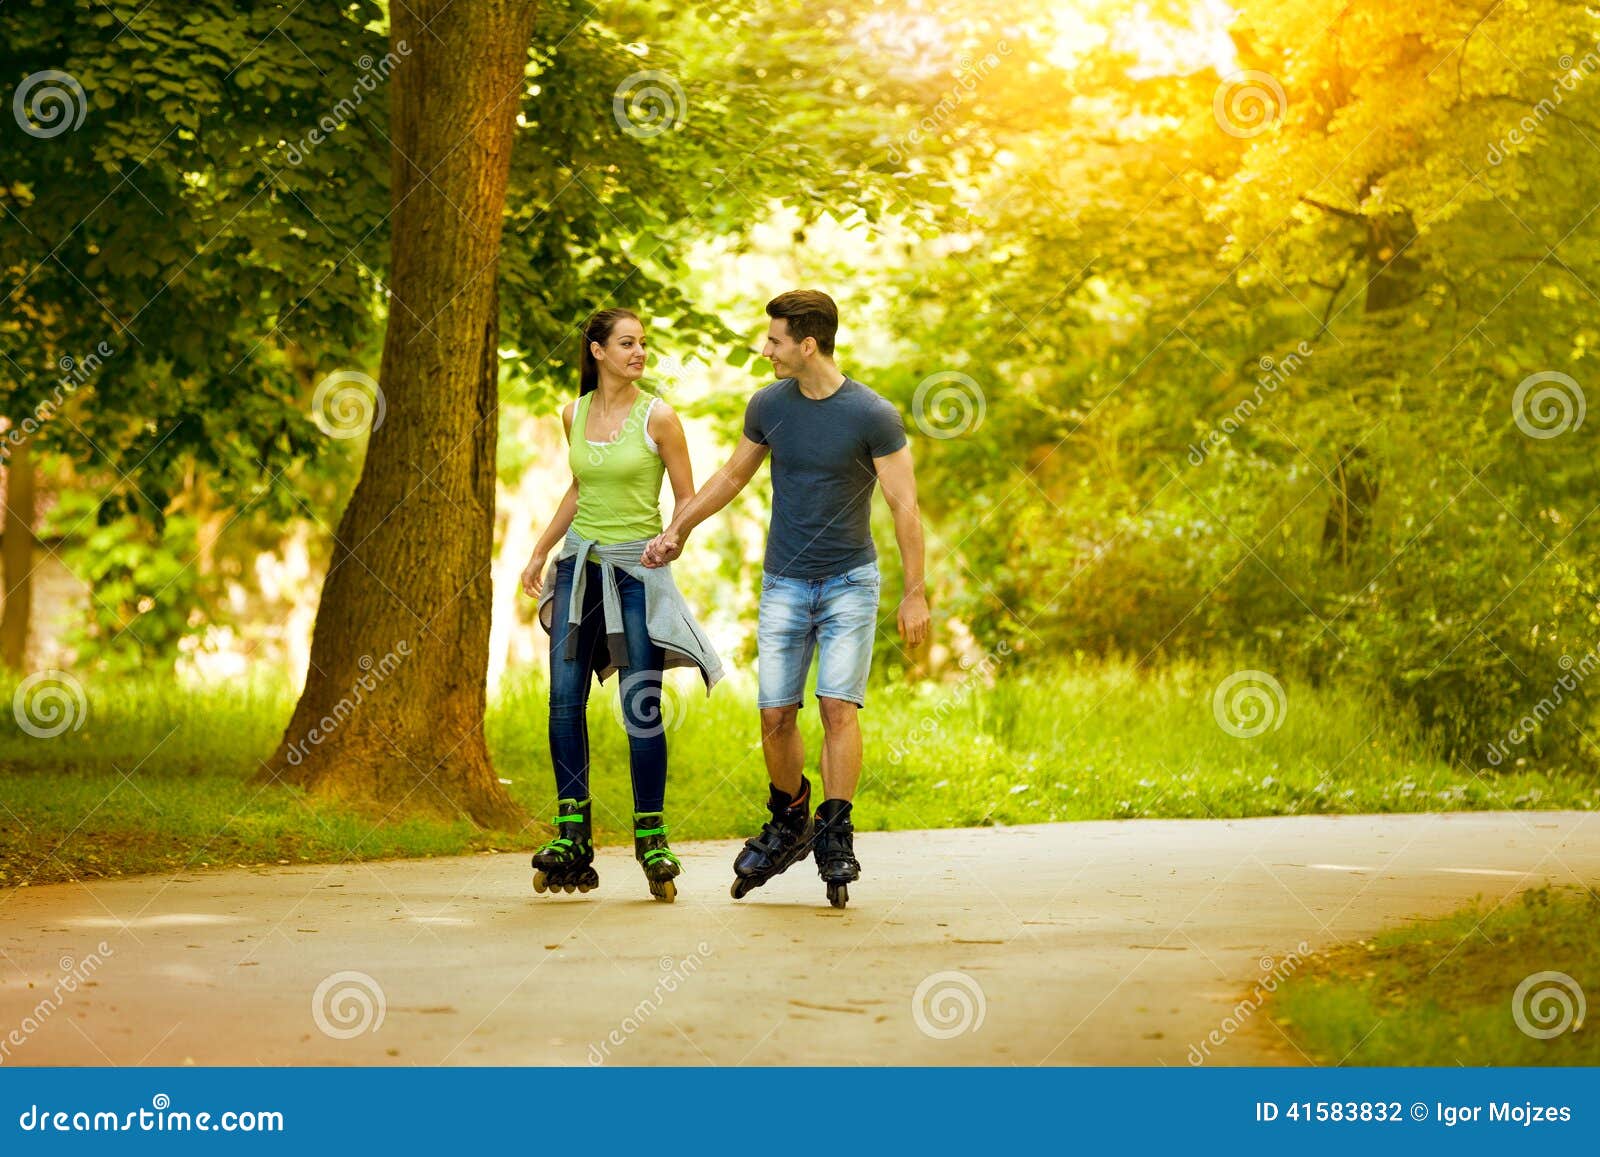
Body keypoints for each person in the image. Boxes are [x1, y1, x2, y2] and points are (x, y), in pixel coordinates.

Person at [643, 290, 929, 907]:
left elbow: (904, 505)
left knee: (837, 707)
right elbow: (731, 475)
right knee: (775, 715)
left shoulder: (872, 415)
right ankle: (790, 816)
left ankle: (835, 832)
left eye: (775, 340)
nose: (766, 350)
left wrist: (914, 593)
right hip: (784, 583)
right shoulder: (769, 405)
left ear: (808, 344)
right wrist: (678, 528)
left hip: (851, 582)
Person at [520, 307, 723, 902]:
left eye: (642, 343)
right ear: (597, 350)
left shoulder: (659, 417)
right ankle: (571, 835)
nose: (639, 353)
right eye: (627, 343)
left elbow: (687, 497)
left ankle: (651, 837)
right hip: (579, 568)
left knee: (641, 706)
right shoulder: (573, 413)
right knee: (564, 701)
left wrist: (674, 537)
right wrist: (541, 550)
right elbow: (580, 488)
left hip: (637, 571)